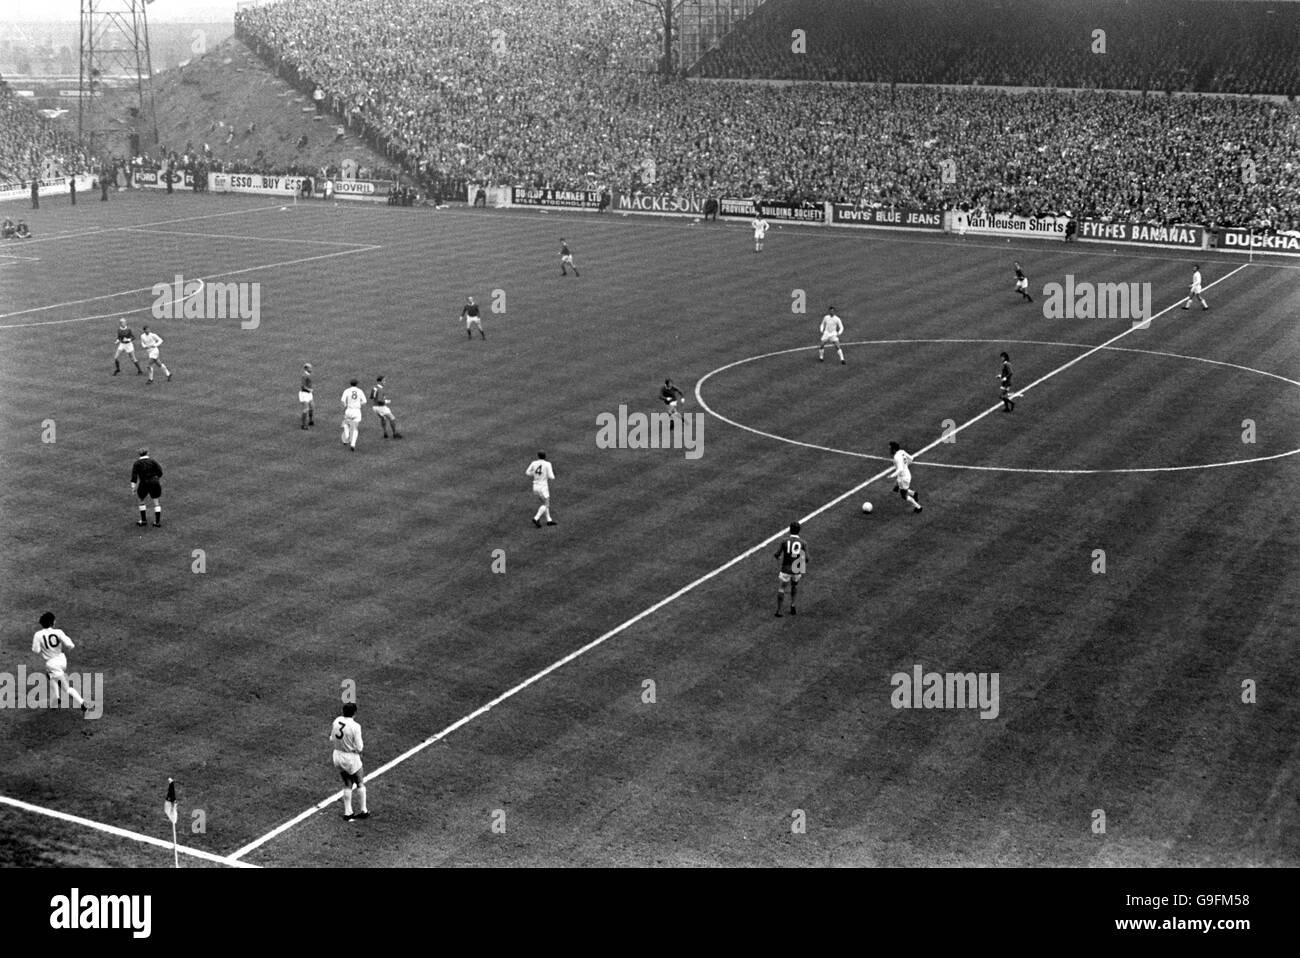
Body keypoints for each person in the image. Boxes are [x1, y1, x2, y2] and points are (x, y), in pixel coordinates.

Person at [31, 612, 89, 715]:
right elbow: (70, 645)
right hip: (62, 660)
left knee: (66, 688)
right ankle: (56, 699)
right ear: (53, 623)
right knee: (50, 675)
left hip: (52, 663)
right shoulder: (59, 632)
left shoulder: (38, 635)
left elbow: (36, 650)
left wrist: (42, 647)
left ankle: (82, 703)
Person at [329, 703, 370, 821]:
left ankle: (348, 812)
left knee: (347, 783)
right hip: (350, 757)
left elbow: (332, 738)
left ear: (342, 711)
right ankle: (364, 810)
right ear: (355, 713)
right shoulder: (355, 726)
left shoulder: (337, 721)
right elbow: (360, 747)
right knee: (359, 782)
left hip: (337, 755)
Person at [773, 521, 808, 617]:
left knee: (782, 588)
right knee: (794, 586)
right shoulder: (803, 543)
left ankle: (779, 610)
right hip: (797, 567)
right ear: (799, 531)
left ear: (790, 529)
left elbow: (777, 554)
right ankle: (793, 605)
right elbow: (806, 559)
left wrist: (778, 557)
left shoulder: (784, 541)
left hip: (786, 568)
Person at [130, 448, 164, 527]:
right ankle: (157, 522)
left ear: (139, 454)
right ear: (147, 453)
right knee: (156, 501)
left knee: (141, 499)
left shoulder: (137, 463)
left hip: (144, 483)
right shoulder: (152, 461)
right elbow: (160, 472)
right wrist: (156, 478)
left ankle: (143, 520)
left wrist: (133, 487)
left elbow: (134, 476)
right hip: (154, 482)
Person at [888, 441, 922, 513]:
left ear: (894, 449)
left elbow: (900, 469)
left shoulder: (896, 457)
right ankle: (914, 494)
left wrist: (892, 475)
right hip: (906, 474)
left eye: (890, 448)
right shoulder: (901, 451)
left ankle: (918, 507)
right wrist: (906, 465)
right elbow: (911, 458)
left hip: (903, 478)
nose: (889, 450)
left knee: (904, 495)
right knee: (897, 488)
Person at [526, 451, 556, 527]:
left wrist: (535, 474)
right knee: (546, 504)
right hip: (543, 487)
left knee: (544, 503)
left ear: (538, 456)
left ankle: (549, 520)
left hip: (535, 487)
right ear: (545, 456)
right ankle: (536, 518)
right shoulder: (548, 464)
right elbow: (551, 477)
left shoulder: (533, 463)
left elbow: (527, 472)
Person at [340, 378, 366, 450]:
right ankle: (353, 444)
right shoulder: (360, 391)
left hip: (348, 410)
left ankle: (347, 435)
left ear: (350, 384)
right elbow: (364, 401)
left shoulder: (347, 390)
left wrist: (345, 405)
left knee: (346, 424)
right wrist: (358, 404)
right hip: (356, 411)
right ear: (357, 384)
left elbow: (342, 400)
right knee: (355, 428)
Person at [298, 363, 315, 429]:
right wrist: (309, 389)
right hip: (304, 394)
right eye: (310, 368)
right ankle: (303, 425)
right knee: (306, 409)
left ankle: (310, 421)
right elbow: (302, 386)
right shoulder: (304, 376)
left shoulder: (308, 375)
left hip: (309, 394)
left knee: (312, 407)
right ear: (306, 368)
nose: (311, 369)